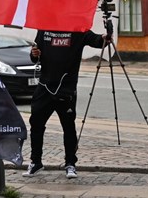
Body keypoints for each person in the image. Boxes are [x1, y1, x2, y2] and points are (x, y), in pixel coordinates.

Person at [24, 28, 108, 179]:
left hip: (66, 87)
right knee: (36, 125)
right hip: (44, 87)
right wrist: (34, 54)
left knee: (68, 127)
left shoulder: (77, 29)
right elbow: (35, 56)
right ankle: (35, 162)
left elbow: (98, 41)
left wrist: (106, 36)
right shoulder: (44, 29)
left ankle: (70, 164)